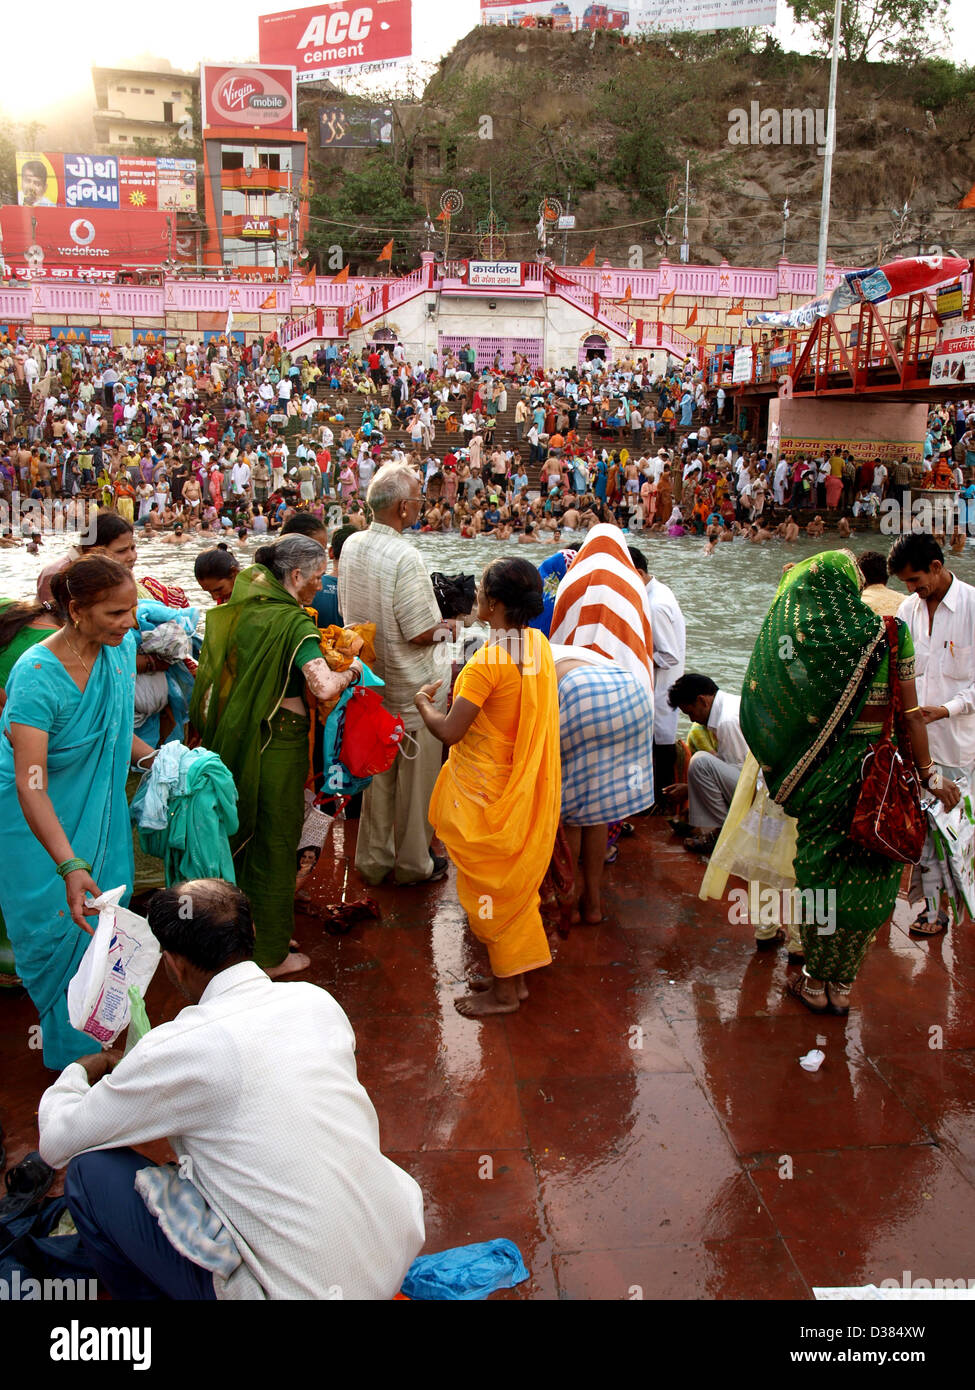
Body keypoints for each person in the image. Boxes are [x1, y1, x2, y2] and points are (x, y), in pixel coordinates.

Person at [37, 878, 425, 1301]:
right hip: (390, 1250)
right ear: (252, 935)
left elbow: (57, 1143)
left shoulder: (182, 1046)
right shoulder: (315, 1002)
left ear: (172, 963)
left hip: (300, 1292)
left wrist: (78, 1072)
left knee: (89, 1174)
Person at [741, 550, 958, 1015]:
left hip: (827, 780)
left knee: (822, 877)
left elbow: (772, 698)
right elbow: (913, 717)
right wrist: (930, 776)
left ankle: (816, 983)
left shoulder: (808, 642)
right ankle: (843, 986)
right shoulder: (893, 634)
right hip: (878, 779)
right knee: (868, 878)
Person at [0, 557, 157, 1070]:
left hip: (103, 821)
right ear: (76, 610)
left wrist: (161, 763)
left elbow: (112, 732)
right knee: (58, 936)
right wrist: (69, 864)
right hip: (35, 822)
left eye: (132, 610)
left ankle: (100, 1044)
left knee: (104, 932)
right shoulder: (37, 675)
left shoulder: (121, 649)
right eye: (116, 612)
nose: (129, 622)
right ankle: (73, 1079)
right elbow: (32, 780)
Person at [190, 536, 360, 977]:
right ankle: (269, 956)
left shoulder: (242, 611)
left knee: (247, 839)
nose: (321, 584)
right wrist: (354, 670)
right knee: (275, 840)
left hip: (241, 738)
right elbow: (322, 686)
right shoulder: (293, 623)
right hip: (277, 741)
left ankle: (253, 933)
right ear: (297, 575)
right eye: (318, 576)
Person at [418, 560, 561, 1016]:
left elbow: (449, 732)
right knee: (512, 886)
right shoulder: (537, 645)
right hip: (519, 788)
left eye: (481, 590)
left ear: (493, 603)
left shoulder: (488, 662)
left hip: (485, 792)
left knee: (492, 891)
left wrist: (423, 704)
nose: (477, 597)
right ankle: (511, 980)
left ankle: (504, 994)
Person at [338, 465, 460, 886]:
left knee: (377, 777)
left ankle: (373, 860)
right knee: (415, 784)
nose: (421, 507)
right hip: (413, 690)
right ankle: (413, 865)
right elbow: (421, 631)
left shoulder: (352, 544)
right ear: (405, 507)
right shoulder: (405, 555)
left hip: (371, 684)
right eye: (419, 501)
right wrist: (452, 626)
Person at [889, 533, 975, 935]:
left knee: (954, 831)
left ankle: (955, 905)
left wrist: (945, 709)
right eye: (906, 582)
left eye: (915, 579)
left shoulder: (973, 607)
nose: (911, 589)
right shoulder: (908, 609)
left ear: (937, 567)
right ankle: (930, 909)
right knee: (925, 831)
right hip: (917, 747)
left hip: (959, 744)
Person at [665, 673, 748, 853]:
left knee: (700, 762)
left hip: (759, 789)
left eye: (690, 713)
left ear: (702, 701)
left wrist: (691, 791)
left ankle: (722, 837)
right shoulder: (729, 705)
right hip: (753, 781)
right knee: (704, 764)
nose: (692, 720)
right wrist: (692, 791)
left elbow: (744, 778)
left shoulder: (727, 721)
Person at [628, 548, 686, 797]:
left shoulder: (655, 605)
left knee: (658, 744)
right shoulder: (656, 592)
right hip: (661, 684)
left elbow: (669, 654)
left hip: (661, 686)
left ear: (639, 573)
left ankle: (658, 800)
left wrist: (634, 657)